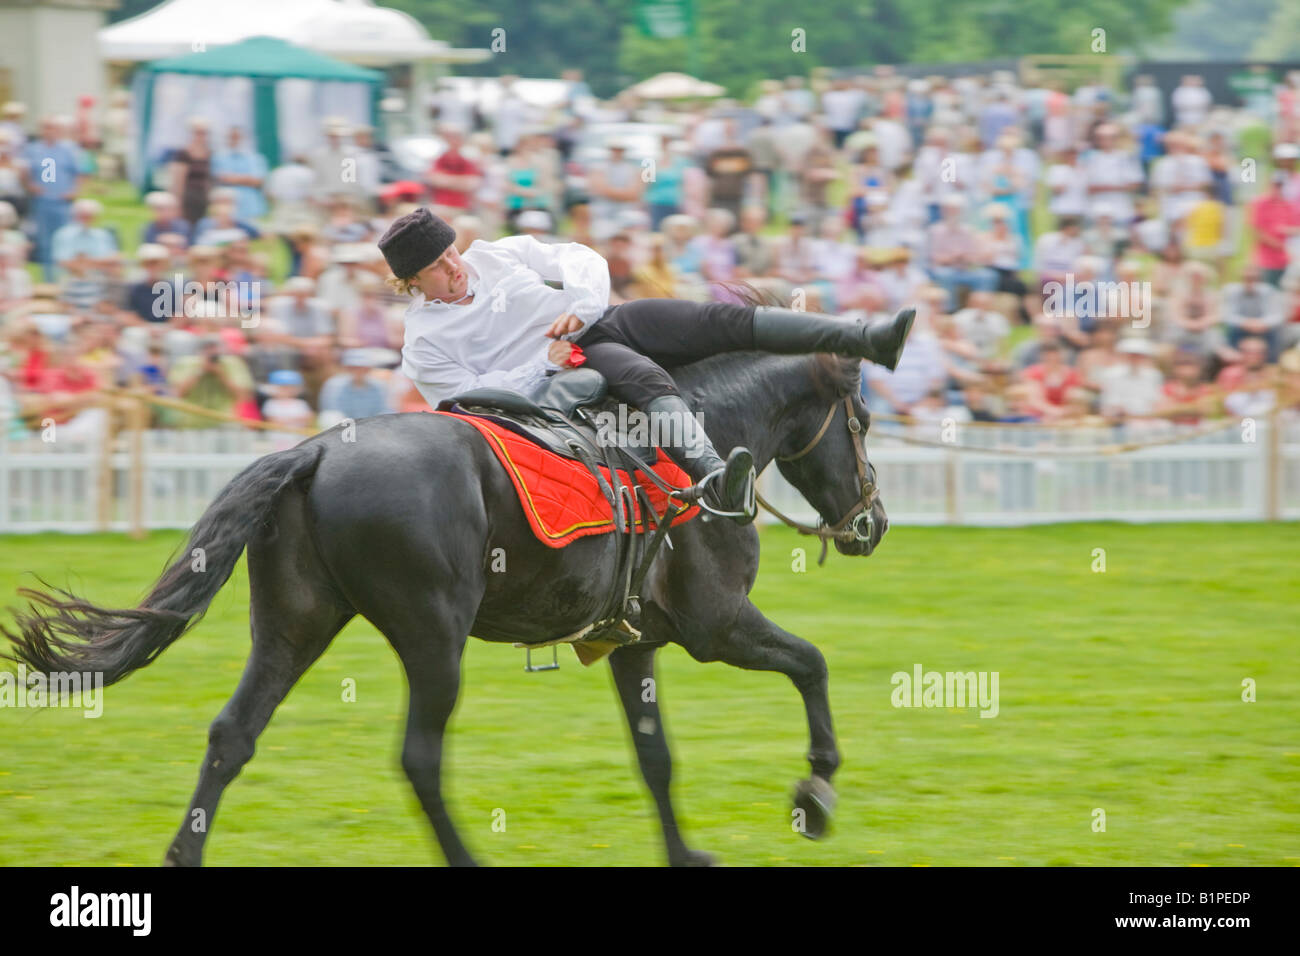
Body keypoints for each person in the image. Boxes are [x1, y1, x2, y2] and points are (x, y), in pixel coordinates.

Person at [378, 207, 916, 523]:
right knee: (642, 376)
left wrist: (580, 307)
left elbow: (581, 259)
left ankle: (867, 338)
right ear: (411, 283)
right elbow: (465, 400)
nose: (453, 266)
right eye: (436, 266)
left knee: (718, 320)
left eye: (449, 252)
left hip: (597, 319)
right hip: (560, 372)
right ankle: (714, 477)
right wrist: (542, 362)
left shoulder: (493, 254)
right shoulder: (423, 342)